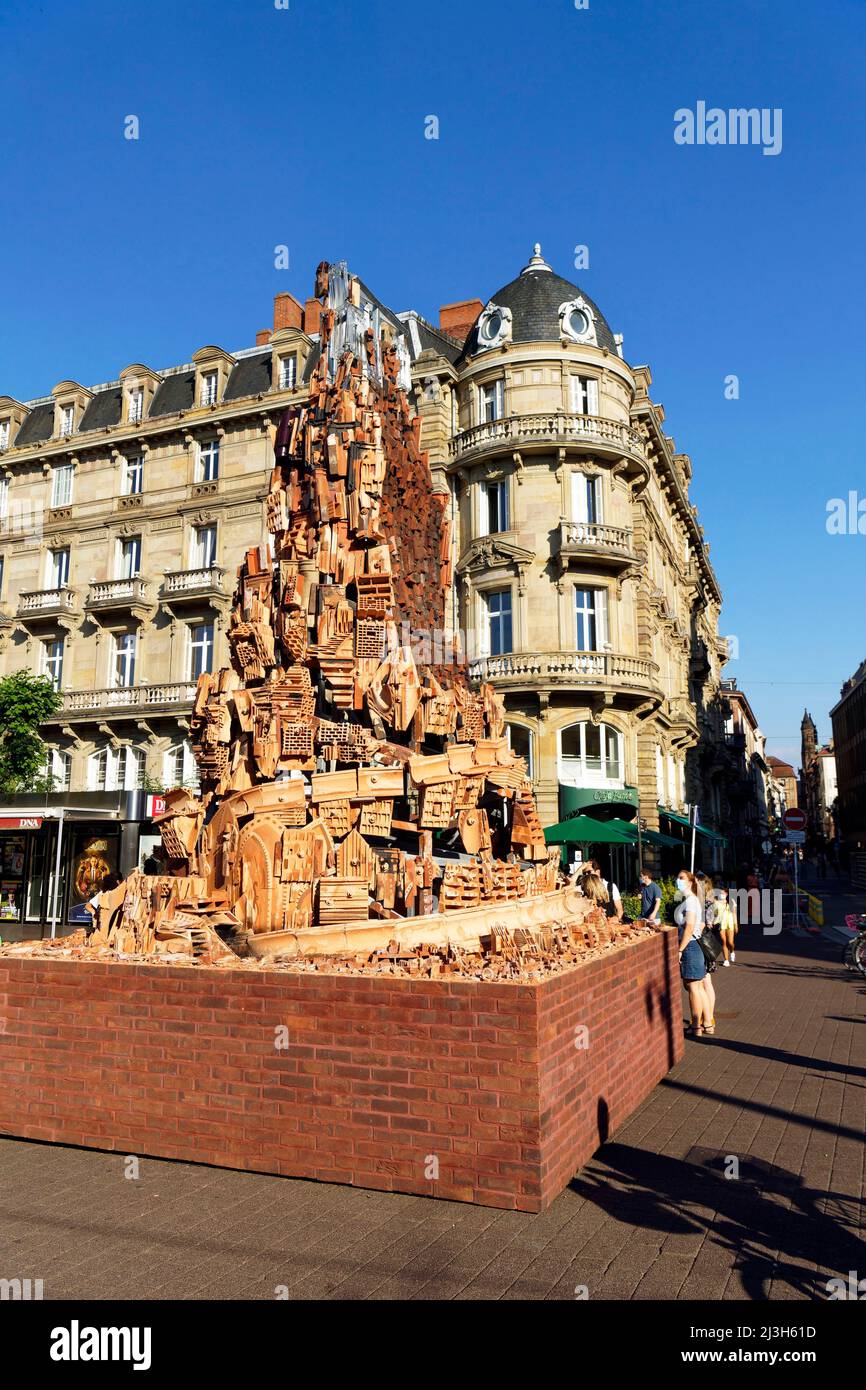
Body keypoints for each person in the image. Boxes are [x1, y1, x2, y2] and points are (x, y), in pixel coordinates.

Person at [674, 867, 714, 1037]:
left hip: (691, 945)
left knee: (693, 987)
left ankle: (696, 1026)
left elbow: (690, 926)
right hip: (694, 945)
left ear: (690, 882)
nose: (678, 880)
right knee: (697, 986)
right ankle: (707, 1023)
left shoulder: (691, 901)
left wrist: (680, 949)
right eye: (678, 877)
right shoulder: (692, 900)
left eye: (682, 878)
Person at [717, 885, 738, 965]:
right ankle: (726, 960)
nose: (721, 894)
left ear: (726, 894)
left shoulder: (731, 902)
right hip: (721, 924)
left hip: (730, 923)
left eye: (723, 893)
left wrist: (736, 925)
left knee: (730, 942)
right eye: (720, 893)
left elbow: (734, 914)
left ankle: (732, 951)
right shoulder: (717, 902)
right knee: (724, 941)